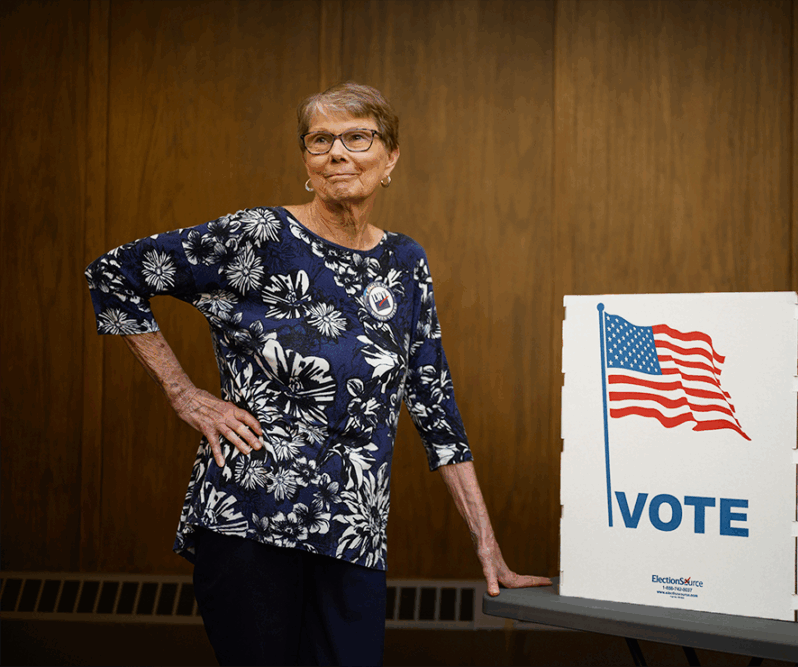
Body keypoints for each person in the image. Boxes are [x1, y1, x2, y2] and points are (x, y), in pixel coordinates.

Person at [85, 82, 550, 666]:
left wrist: (487, 543)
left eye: (357, 138)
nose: (337, 153)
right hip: (251, 519)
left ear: (391, 157)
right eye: (320, 140)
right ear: (306, 160)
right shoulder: (259, 236)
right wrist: (184, 394)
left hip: (354, 533)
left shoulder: (405, 262)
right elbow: (113, 274)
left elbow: (434, 402)